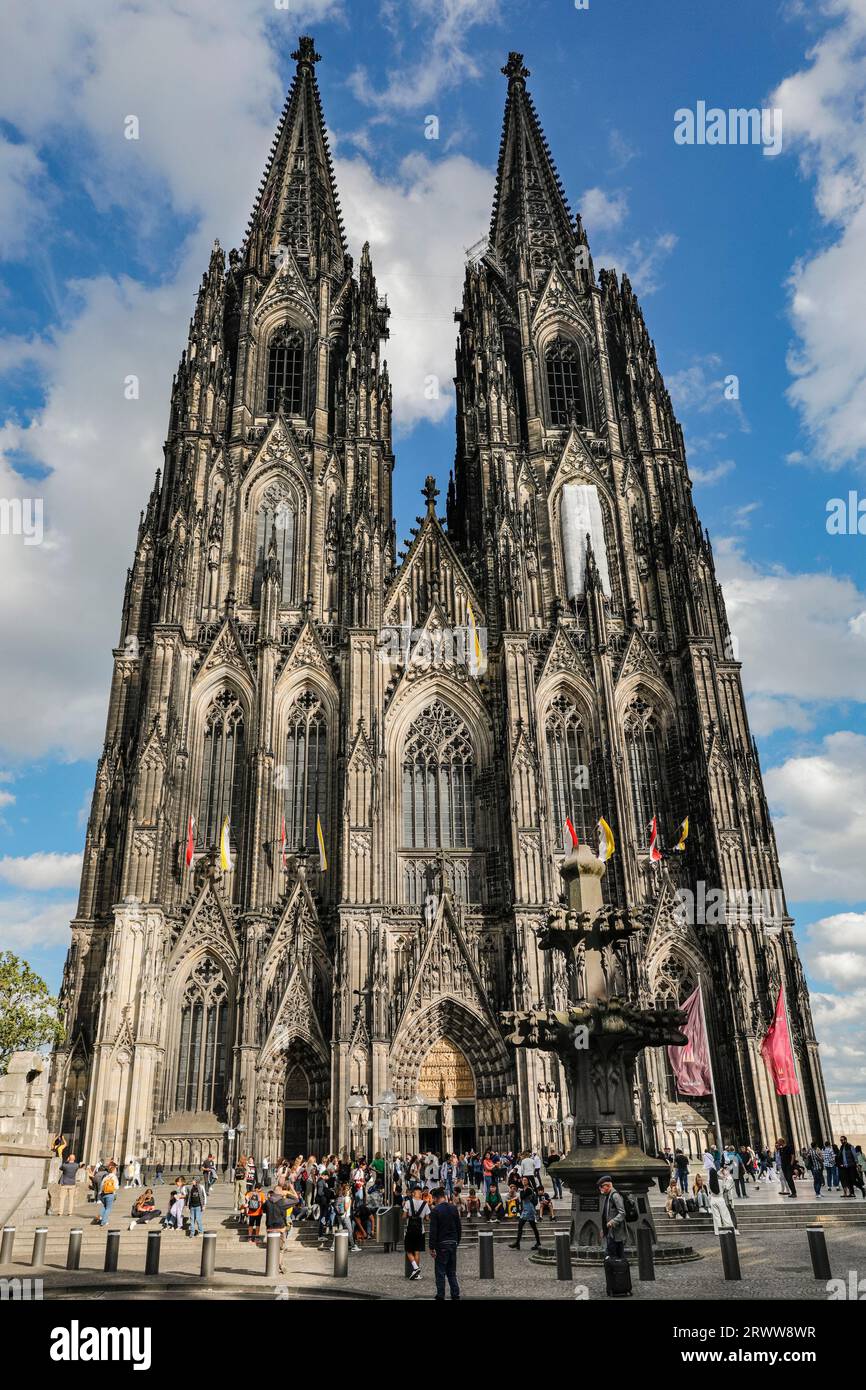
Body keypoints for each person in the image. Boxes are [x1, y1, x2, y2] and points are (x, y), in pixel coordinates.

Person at [429, 1186, 461, 1300]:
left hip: (441, 1244)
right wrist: (457, 1241)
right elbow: (458, 1226)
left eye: (434, 1199)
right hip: (452, 1242)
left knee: (440, 1271)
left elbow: (433, 1231)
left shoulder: (436, 1211)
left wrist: (431, 1247)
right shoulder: (453, 1208)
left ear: (437, 1198)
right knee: (452, 1271)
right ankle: (455, 1293)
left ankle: (440, 1294)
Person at [403, 1182, 429, 1280]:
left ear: (413, 1193)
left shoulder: (408, 1203)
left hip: (410, 1230)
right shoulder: (425, 1204)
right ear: (421, 1193)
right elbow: (427, 1218)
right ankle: (417, 1274)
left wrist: (410, 1215)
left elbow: (404, 1216)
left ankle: (415, 1268)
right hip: (420, 1231)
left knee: (409, 1250)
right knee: (417, 1251)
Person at [263, 1188, 292, 1273]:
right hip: (280, 1228)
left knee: (272, 1248)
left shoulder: (268, 1202)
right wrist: (289, 1192)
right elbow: (296, 1199)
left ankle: (273, 1267)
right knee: (281, 1249)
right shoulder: (282, 1202)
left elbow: (263, 1209)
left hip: (270, 1228)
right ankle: (280, 1265)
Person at [509, 1177, 542, 1250]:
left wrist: (521, 1192)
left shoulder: (529, 1189)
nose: (523, 1181)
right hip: (526, 1209)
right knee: (533, 1227)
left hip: (529, 1209)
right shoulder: (524, 1189)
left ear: (528, 1182)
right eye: (523, 1180)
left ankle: (517, 1243)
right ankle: (538, 1242)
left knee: (521, 1225)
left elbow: (522, 1196)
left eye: (525, 1180)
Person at [598, 1175, 626, 1259]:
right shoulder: (608, 1196)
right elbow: (606, 1215)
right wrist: (604, 1228)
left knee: (614, 1255)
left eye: (602, 1187)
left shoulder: (615, 1196)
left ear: (608, 1186)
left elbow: (622, 1213)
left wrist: (612, 1222)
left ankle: (618, 1269)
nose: (601, 1190)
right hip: (610, 1232)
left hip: (616, 1233)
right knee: (614, 1254)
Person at [708, 1167, 736, 1234]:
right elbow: (725, 1188)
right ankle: (729, 1229)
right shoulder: (720, 1181)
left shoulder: (709, 1183)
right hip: (720, 1199)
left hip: (713, 1199)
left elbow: (709, 1191)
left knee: (716, 1217)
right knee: (725, 1215)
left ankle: (718, 1231)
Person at [55, 1152, 81, 1217]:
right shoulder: (76, 1165)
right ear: (74, 1159)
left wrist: (66, 1161)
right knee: (71, 1199)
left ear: (69, 1158)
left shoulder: (65, 1165)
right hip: (72, 1183)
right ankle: (70, 1213)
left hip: (64, 1183)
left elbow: (60, 1168)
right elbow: (78, 1167)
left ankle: (60, 1212)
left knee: (62, 1198)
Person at [96, 1162, 119, 1226]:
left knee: (105, 1206)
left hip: (103, 1194)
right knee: (108, 1208)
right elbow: (116, 1187)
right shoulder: (114, 1177)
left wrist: (100, 1194)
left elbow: (101, 1185)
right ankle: (104, 1221)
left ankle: (100, 1216)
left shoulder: (106, 1177)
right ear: (114, 1170)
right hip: (110, 1194)